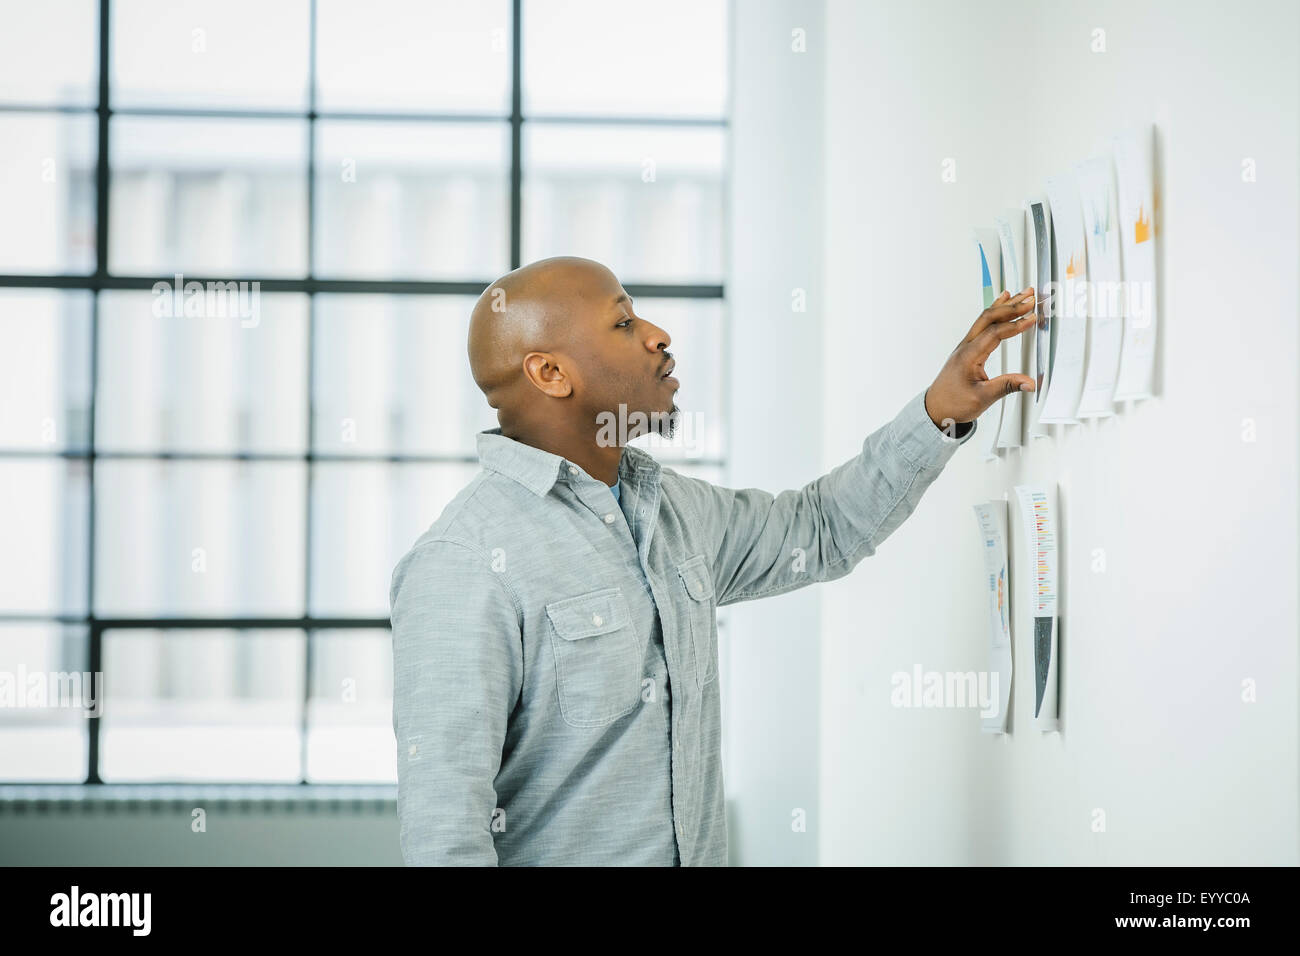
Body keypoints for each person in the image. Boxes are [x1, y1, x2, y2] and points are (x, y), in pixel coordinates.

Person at [390, 255, 1036, 865]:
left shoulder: (672, 510)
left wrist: (938, 414)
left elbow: (823, 528)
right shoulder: (464, 562)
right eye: (623, 322)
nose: (658, 335)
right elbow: (446, 829)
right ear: (550, 374)